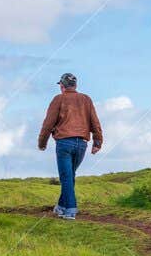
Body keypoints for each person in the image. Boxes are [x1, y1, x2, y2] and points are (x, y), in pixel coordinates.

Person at [37, 73, 103, 220]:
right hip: (82, 144)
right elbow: (95, 122)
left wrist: (42, 143)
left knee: (66, 177)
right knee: (69, 176)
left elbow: (48, 124)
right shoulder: (86, 99)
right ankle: (60, 207)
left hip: (64, 143)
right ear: (75, 85)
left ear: (62, 86)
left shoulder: (58, 99)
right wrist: (97, 142)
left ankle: (70, 211)